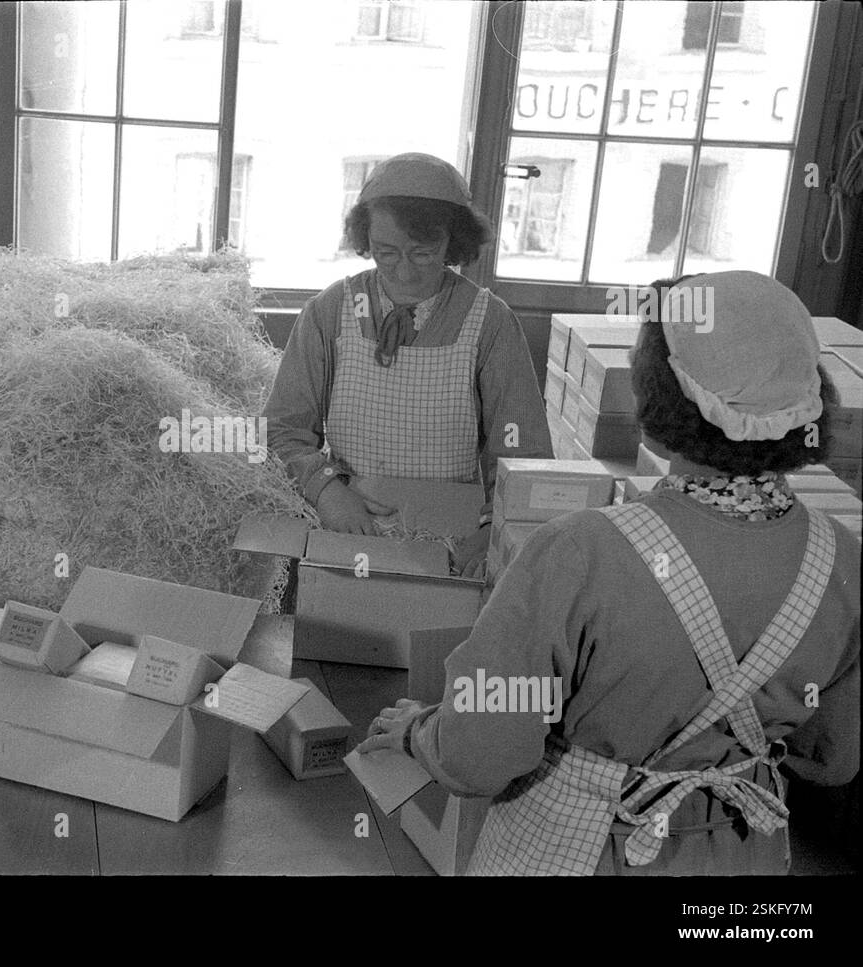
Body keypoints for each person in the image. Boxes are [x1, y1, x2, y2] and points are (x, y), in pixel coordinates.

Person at [357, 270, 860, 875]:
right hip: (738, 860)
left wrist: (420, 732)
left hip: (586, 850)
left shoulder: (581, 553)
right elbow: (833, 756)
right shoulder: (842, 560)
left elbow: (483, 751)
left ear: (655, 402)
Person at [264, 153, 552, 575]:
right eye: (386, 253)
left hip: (451, 536)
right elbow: (282, 429)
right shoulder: (331, 312)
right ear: (366, 241)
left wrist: (494, 528)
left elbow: (520, 450)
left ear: (453, 242)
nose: (403, 272)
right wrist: (326, 490)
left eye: (422, 254)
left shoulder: (488, 321)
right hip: (349, 526)